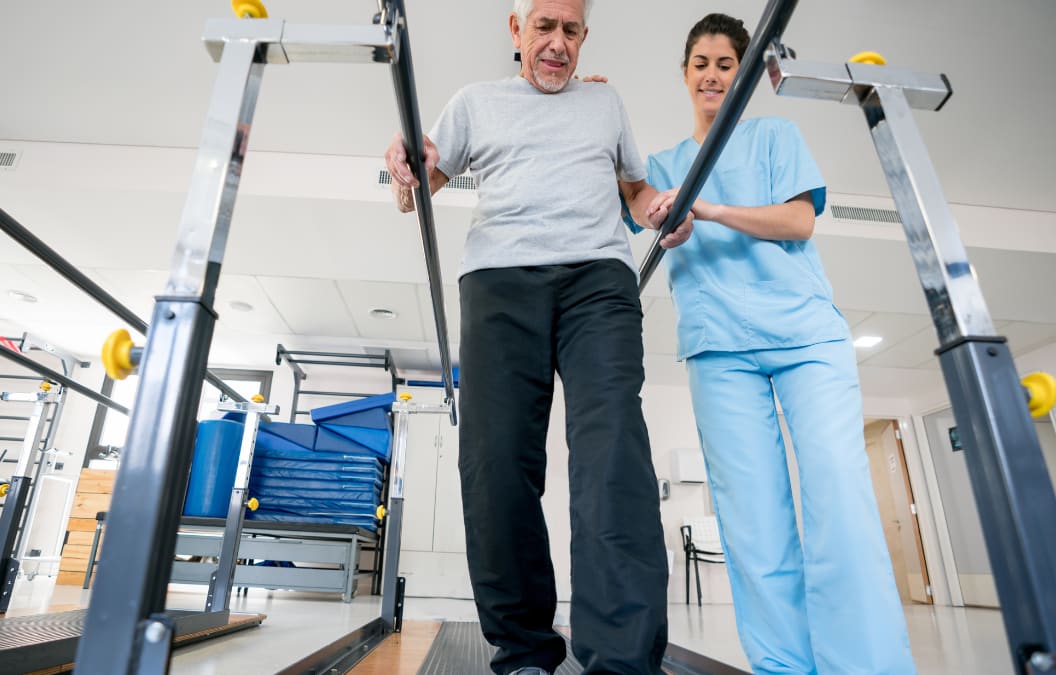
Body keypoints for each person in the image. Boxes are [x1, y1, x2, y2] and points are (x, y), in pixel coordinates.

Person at [383, 1, 692, 673]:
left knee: (613, 451)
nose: (557, 44)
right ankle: (523, 647)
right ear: (516, 30)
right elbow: (421, 184)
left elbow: (635, 191)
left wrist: (659, 209)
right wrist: (409, 169)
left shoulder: (605, 106)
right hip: (498, 280)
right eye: (544, 27)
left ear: (584, 36)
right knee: (494, 462)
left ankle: (622, 652)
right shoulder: (474, 102)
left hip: (598, 283)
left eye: (570, 31)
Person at [640, 12, 917, 675]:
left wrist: (706, 209)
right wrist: (661, 210)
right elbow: (637, 199)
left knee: (838, 497)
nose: (711, 74)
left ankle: (867, 666)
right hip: (718, 347)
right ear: (684, 74)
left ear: (744, 77)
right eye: (700, 62)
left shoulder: (774, 135)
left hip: (802, 334)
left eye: (725, 64)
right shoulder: (663, 165)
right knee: (751, 519)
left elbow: (798, 219)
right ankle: (785, 667)